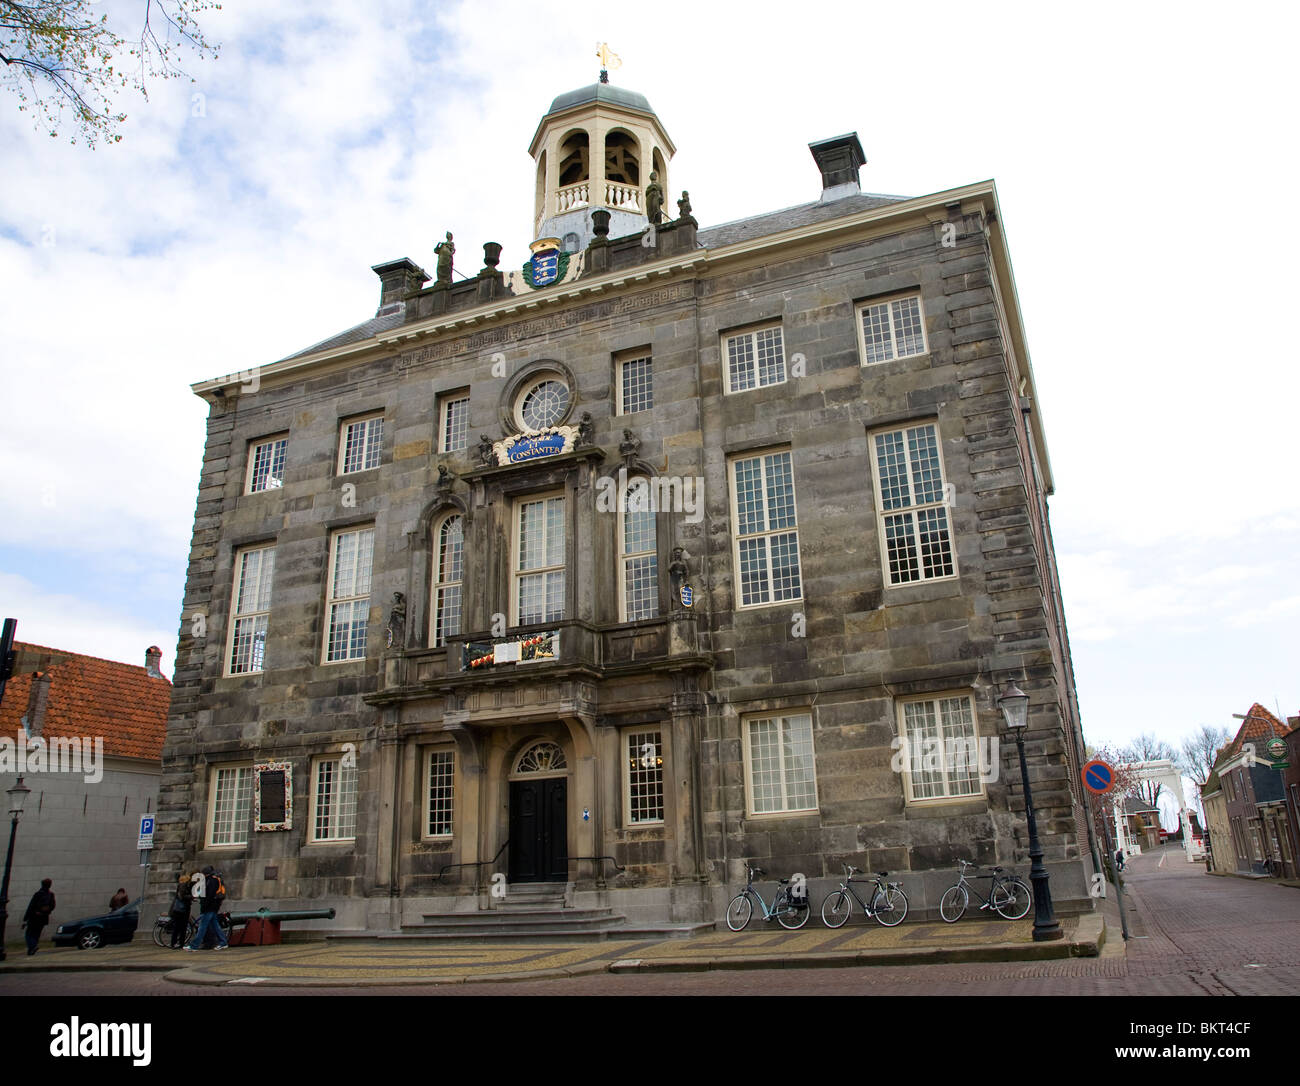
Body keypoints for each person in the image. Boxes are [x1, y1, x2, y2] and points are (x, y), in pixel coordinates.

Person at [185, 865, 228, 951]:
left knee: (202, 926)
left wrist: (204, 905)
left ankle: (194, 945)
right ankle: (223, 942)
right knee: (215, 926)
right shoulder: (213, 880)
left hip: (209, 907)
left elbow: (209, 895)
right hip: (213, 906)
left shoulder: (211, 881)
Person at [22, 878, 56, 956]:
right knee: (37, 933)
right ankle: (31, 950)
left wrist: (25, 918)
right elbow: (53, 906)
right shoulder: (51, 894)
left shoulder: (38, 894)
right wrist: (47, 911)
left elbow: (31, 906)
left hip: (34, 917)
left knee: (29, 933)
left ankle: (33, 946)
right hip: (43, 918)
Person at [168, 871, 193, 949]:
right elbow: (182, 896)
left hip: (179, 910)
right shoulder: (183, 885)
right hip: (181, 910)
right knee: (181, 927)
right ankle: (177, 943)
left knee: (179, 927)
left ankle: (177, 943)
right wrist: (191, 897)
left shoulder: (181, 885)